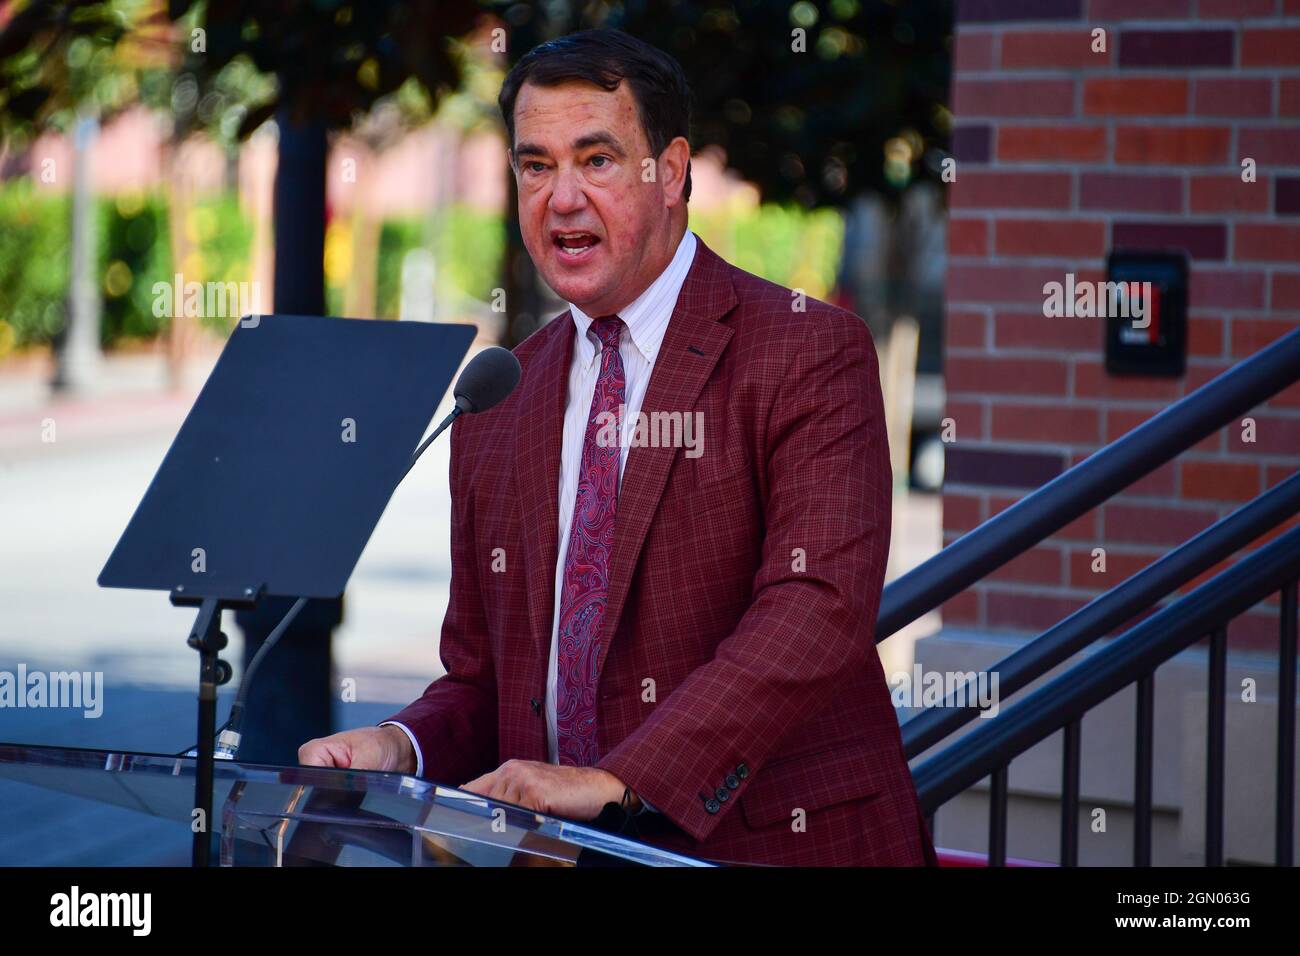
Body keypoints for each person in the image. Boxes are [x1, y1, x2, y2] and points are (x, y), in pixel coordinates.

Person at [300, 27, 936, 867]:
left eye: (596, 160)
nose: (561, 198)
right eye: (535, 165)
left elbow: (816, 611)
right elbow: (484, 682)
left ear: (670, 172)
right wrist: (400, 746)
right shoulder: (500, 393)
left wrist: (620, 781)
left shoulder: (806, 351)